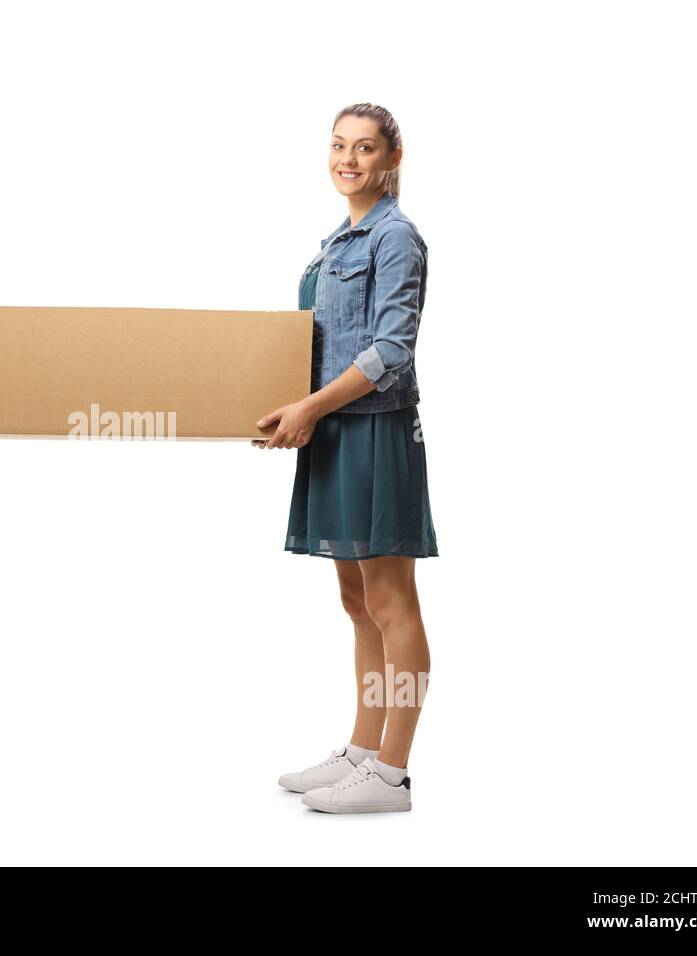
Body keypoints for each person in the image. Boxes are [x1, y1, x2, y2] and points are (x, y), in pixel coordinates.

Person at [256, 103, 437, 814]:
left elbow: (392, 351)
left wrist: (311, 407)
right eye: (338, 145)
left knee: (392, 602)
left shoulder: (397, 239)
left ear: (392, 156)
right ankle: (364, 748)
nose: (348, 159)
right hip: (331, 427)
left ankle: (392, 772)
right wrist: (285, 406)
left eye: (364, 148)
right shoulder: (337, 241)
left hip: (373, 430)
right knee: (356, 600)